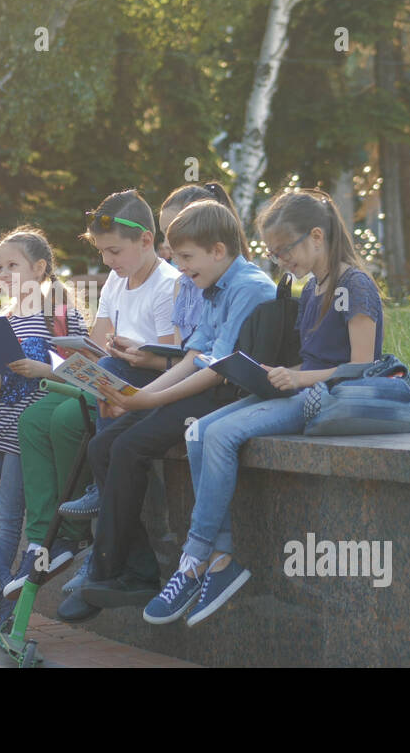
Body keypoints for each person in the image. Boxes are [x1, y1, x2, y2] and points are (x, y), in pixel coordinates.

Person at [141, 188, 383, 627]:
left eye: (283, 250)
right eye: (272, 254)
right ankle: (220, 561)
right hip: (297, 388)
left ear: (315, 236)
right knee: (198, 430)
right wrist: (268, 372)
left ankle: (194, 558)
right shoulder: (314, 287)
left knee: (222, 433)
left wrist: (298, 377)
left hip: (327, 398)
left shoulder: (355, 286)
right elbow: (311, 358)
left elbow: (361, 368)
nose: (279, 261)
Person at [57, 199, 277, 622]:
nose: (181, 270)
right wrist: (137, 397)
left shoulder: (247, 286)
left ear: (217, 250)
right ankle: (132, 569)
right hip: (204, 388)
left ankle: (108, 570)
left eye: (186, 259)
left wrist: (147, 400)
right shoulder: (213, 282)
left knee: (128, 446)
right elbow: (194, 355)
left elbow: (217, 371)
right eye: (176, 258)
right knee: (104, 447)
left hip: (229, 397)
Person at [6, 190, 178, 600]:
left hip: (142, 386)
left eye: (114, 251)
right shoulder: (118, 282)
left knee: (66, 420)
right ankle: (41, 535)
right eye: (102, 251)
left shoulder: (167, 285)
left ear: (146, 241)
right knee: (32, 418)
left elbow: (175, 358)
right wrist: (82, 355)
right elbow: (97, 343)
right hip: (104, 377)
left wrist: (128, 358)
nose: (107, 262)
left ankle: (74, 531)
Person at [0, 227, 89, 640]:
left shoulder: (61, 314)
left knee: (8, 525)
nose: (3, 273)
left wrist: (44, 369)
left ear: (39, 268)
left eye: (13, 265)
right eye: (0, 266)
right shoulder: (4, 318)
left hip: (33, 429)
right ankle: (3, 588)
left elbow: (86, 375)